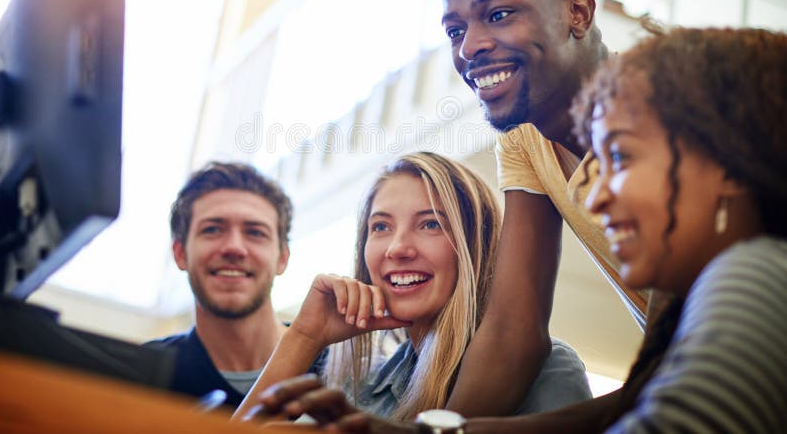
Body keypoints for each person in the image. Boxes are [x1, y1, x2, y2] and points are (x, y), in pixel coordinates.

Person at [252, 27, 787, 433]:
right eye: (380, 226)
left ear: (729, 166)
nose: (593, 197)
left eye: (619, 157)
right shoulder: (727, 296)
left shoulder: (754, 280)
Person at [407, 0, 650, 416]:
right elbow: (514, 329)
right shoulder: (523, 138)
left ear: (577, 14)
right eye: (454, 29)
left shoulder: (667, 109)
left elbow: (685, 375)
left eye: (498, 14)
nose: (470, 47)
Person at [235, 152, 591, 422]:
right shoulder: (359, 388)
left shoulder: (548, 368)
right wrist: (304, 337)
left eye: (430, 224)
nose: (397, 248)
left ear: (475, 247)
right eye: (381, 227)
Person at [147, 161, 312, 410]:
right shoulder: (144, 374)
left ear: (282, 258)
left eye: (255, 232)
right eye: (212, 229)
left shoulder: (337, 370)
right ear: (180, 254)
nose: (234, 247)